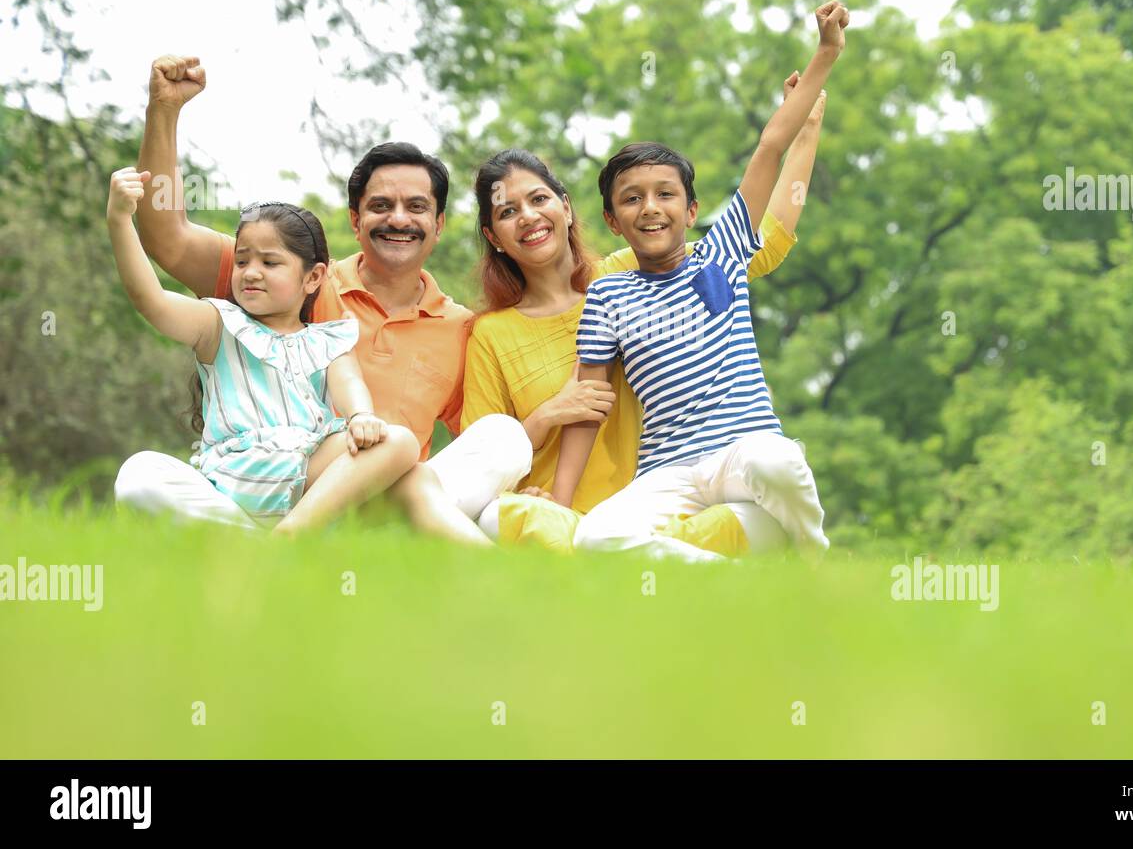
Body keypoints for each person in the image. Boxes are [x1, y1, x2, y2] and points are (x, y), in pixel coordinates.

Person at [113, 56, 531, 545]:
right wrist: (163, 112)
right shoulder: (288, 279)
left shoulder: (461, 327)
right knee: (141, 478)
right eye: (380, 206)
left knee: (504, 436)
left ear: (438, 225)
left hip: (392, 494)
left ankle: (369, 536)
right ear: (355, 220)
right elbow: (167, 238)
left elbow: (476, 444)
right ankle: (278, 547)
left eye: (416, 207)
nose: (398, 219)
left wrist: (532, 487)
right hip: (286, 488)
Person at [463, 74, 827, 557]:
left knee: (772, 469)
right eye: (508, 212)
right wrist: (551, 439)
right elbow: (488, 454)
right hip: (602, 505)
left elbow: (769, 216)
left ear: (567, 209)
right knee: (501, 519)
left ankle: (806, 564)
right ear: (493, 235)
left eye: (539, 199)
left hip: (695, 486)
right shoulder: (506, 329)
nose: (528, 217)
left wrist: (807, 123)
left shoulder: (645, 268)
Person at [555, 0, 850, 562]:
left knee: (779, 461)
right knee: (595, 539)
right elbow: (589, 401)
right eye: (632, 199)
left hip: (743, 452)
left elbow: (769, 148)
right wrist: (563, 503)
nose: (651, 209)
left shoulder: (722, 255)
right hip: (668, 471)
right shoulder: (608, 293)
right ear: (614, 221)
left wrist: (826, 54)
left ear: (691, 211)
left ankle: (814, 566)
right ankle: (730, 584)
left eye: (665, 195)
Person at [107, 169, 419, 533]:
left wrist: (361, 416)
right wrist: (120, 220)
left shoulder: (328, 339)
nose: (251, 273)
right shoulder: (217, 323)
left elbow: (349, 382)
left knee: (398, 440)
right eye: (242, 261)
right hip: (235, 477)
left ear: (313, 278)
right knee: (139, 475)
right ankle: (260, 541)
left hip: (305, 474)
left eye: (269, 263)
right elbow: (151, 301)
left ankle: (286, 537)